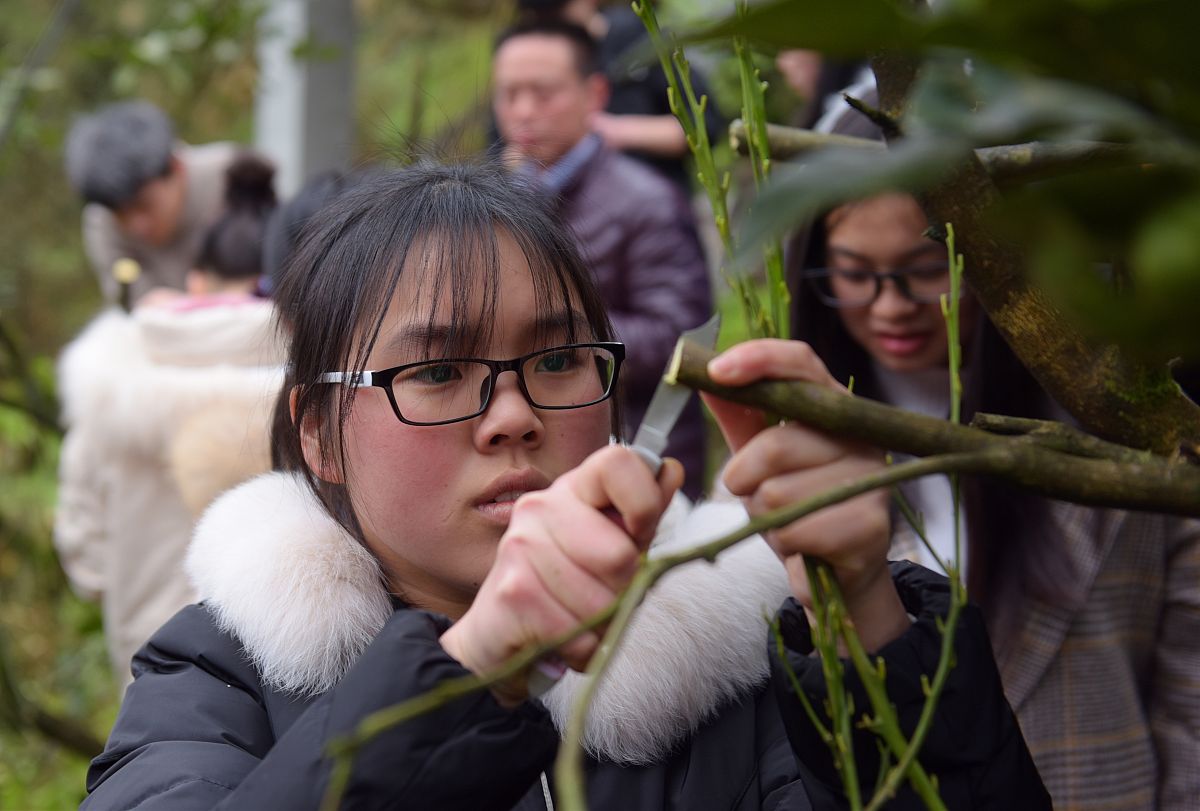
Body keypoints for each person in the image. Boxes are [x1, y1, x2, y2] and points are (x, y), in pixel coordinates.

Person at [81, 161, 1049, 809]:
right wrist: (472, 672)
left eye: (556, 360)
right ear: (318, 432)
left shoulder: (750, 657)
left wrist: (867, 618)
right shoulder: (217, 676)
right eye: (435, 373)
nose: (512, 416)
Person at [787, 109, 1200, 809]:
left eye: (925, 272)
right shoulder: (798, 460)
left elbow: (1191, 682)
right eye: (855, 274)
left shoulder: (1123, 442)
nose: (892, 307)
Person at [54, 153, 286, 684]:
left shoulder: (108, 382)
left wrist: (120, 583)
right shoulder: (330, 387)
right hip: (281, 663)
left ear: (197, 279)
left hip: (147, 660)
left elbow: (83, 550)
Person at [492, 19, 712, 498]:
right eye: (509, 95)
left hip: (640, 463)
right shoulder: (502, 197)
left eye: (543, 93)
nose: (523, 111)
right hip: (539, 460)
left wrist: (547, 339)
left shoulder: (646, 201)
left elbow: (683, 339)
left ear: (594, 94)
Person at [511, 0, 724, 192]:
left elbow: (705, 124)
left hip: (652, 202)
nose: (553, 24)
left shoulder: (636, 37)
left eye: (560, 9)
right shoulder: (523, 59)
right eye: (538, 15)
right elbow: (502, 151)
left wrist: (616, 131)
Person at [63, 100, 244, 305]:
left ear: (176, 168)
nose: (136, 226)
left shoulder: (236, 179)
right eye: (120, 214)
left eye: (144, 206)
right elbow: (132, 303)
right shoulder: (102, 220)